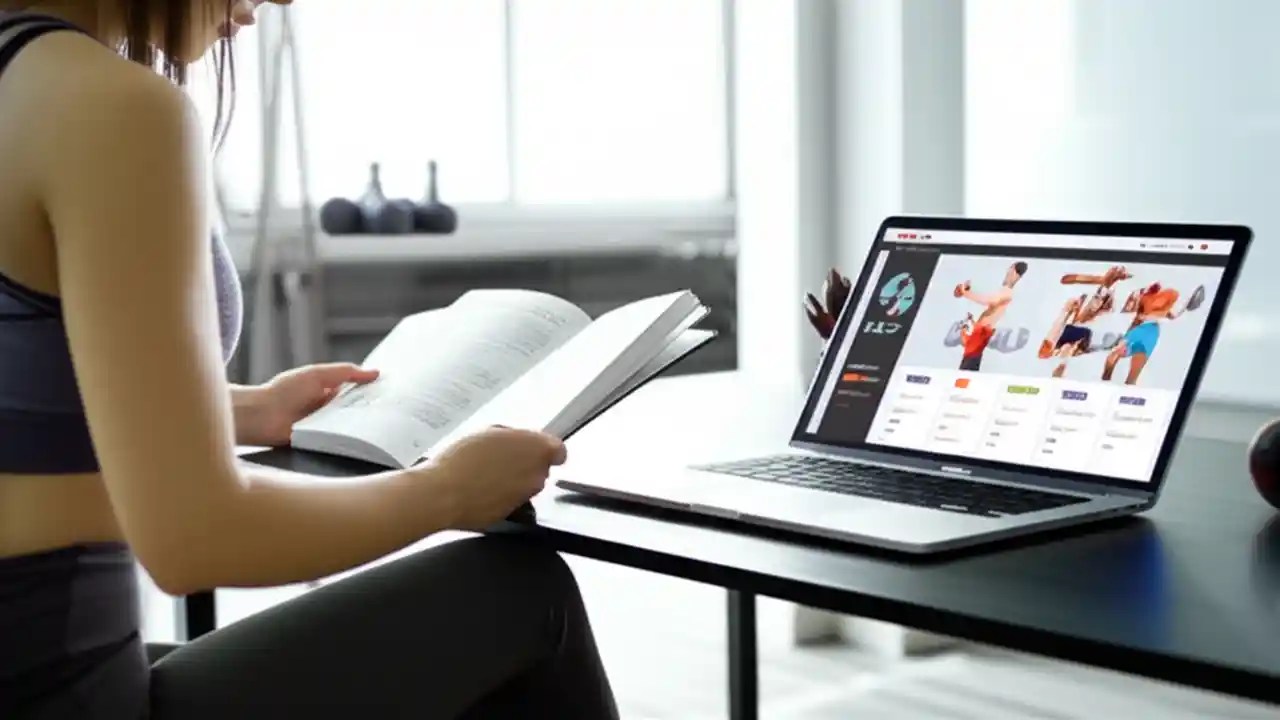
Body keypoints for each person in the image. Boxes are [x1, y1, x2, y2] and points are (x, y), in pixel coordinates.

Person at [0, 2, 617, 718]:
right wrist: (447, 491)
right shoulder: (112, 108)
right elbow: (195, 536)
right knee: (523, 595)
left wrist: (241, 409)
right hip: (62, 688)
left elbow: (27, 385)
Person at [1038, 265, 1130, 377]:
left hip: (1070, 336)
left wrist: (1066, 312)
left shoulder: (1049, 350)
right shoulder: (1075, 347)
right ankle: (1107, 287)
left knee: (1082, 319)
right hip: (1079, 337)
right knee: (1089, 315)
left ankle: (1106, 287)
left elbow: (1056, 330)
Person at [1102, 282, 1188, 385]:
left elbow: (1170, 314)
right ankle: (1105, 381)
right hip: (1141, 330)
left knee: (1132, 370)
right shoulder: (1144, 301)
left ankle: (1113, 382)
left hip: (1148, 332)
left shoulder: (1161, 300)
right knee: (1117, 354)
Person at [954, 261, 1028, 371]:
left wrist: (965, 293)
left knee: (967, 368)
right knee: (969, 365)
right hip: (979, 334)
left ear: (1013, 271)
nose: (1006, 272)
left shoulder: (1006, 292)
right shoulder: (1005, 292)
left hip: (981, 334)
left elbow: (990, 300)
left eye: (1009, 269)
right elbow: (990, 312)